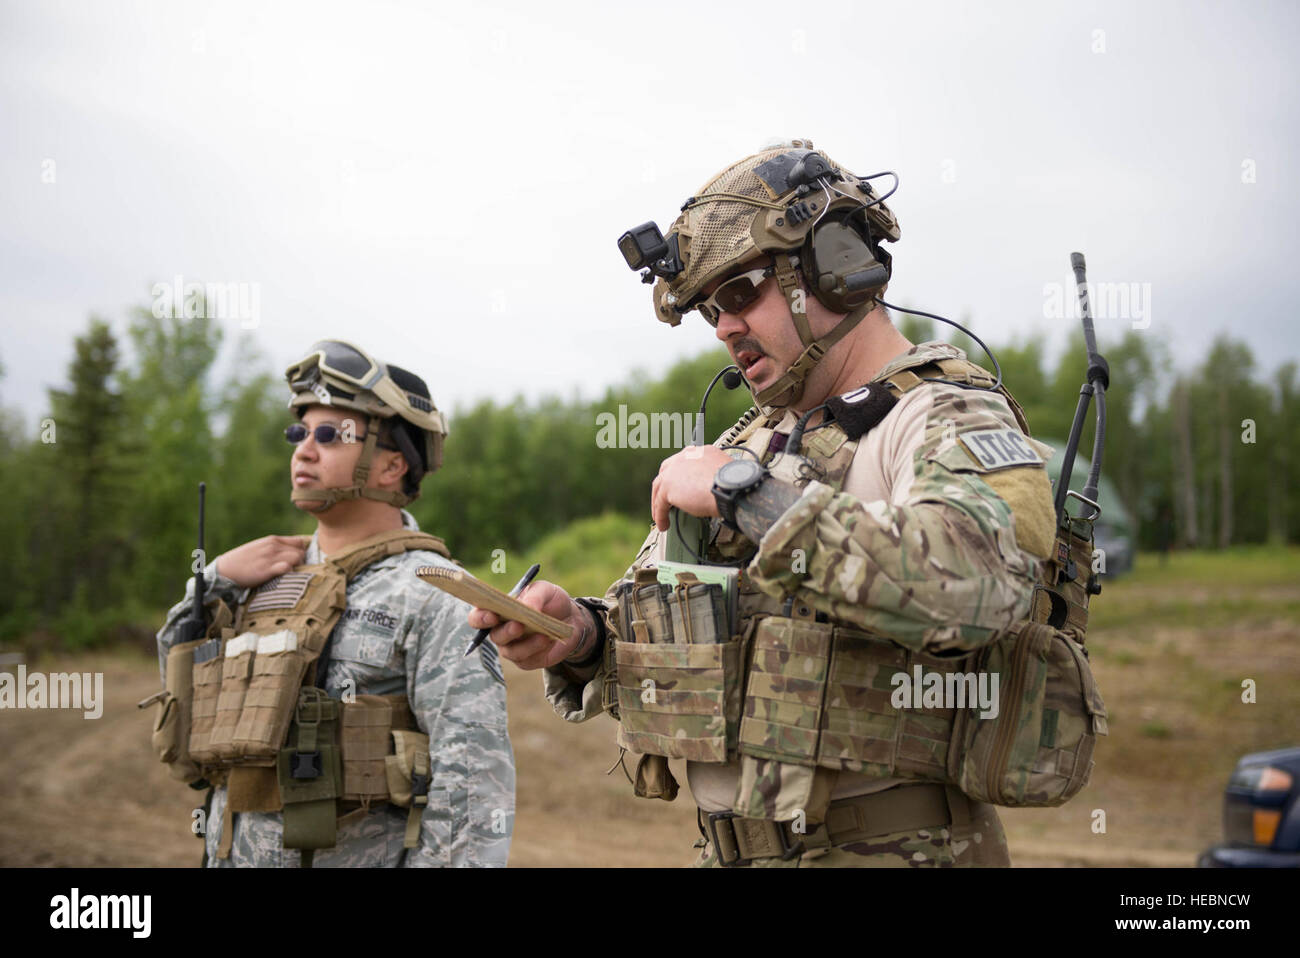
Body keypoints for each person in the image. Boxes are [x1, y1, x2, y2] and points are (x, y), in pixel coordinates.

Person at [471, 140, 1060, 867]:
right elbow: (689, 638)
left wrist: (741, 493)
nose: (722, 328)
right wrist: (581, 636)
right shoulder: (754, 440)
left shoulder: (944, 413)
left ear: (832, 267)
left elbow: (982, 587)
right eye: (712, 309)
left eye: (741, 293)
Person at [152, 340, 513, 867]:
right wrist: (214, 582)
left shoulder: (435, 594)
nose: (303, 449)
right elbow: (181, 702)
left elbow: (473, 792)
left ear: (392, 467)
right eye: (298, 433)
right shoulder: (261, 580)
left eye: (330, 435)